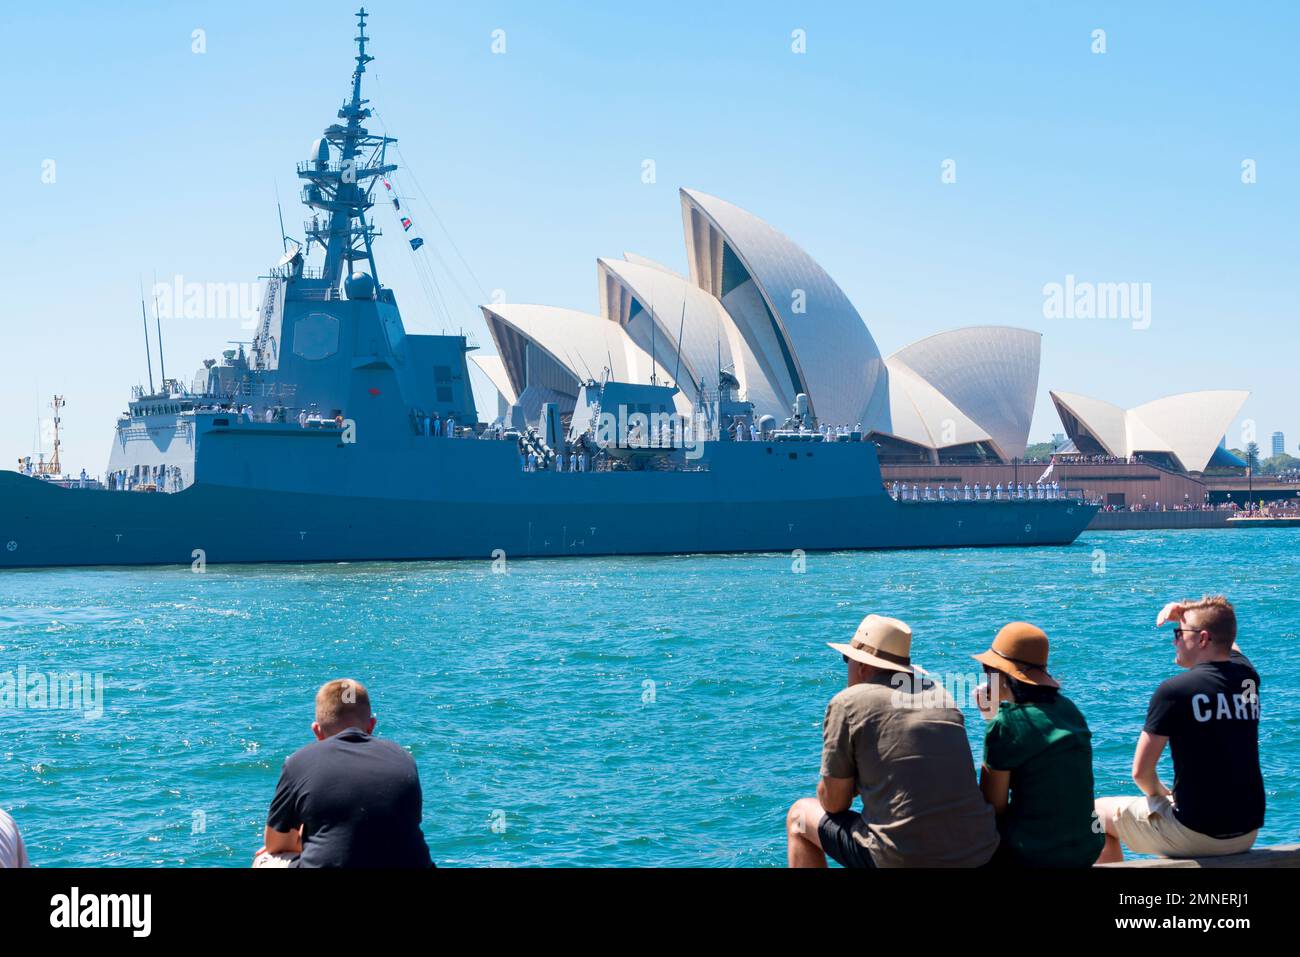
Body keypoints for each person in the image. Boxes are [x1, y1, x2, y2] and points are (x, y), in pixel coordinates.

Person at [787, 614, 999, 868]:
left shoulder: (847, 703)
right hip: (979, 851)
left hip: (905, 859)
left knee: (798, 817)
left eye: (847, 659)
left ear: (862, 666)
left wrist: (847, 781)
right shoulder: (942, 698)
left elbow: (834, 803)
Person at [1094, 596, 1264, 863]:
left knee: (1093, 814)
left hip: (1196, 833)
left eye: (1178, 633)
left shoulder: (1174, 692)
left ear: (1203, 639)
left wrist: (1163, 796)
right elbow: (1228, 639)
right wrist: (1188, 615)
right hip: (1246, 832)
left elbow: (1141, 773)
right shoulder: (1247, 679)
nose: (1174, 640)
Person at [257, 679, 434, 868]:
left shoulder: (298, 761)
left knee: (264, 860)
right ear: (371, 725)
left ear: (317, 731)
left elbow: (276, 844)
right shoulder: (403, 758)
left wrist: (305, 835)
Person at [972, 623, 1104, 867]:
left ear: (1003, 674)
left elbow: (994, 804)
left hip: (1036, 854)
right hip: (1087, 846)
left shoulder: (1005, 724)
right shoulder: (1069, 709)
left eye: (988, 669)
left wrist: (991, 720)